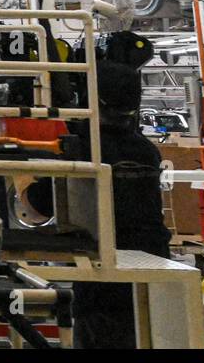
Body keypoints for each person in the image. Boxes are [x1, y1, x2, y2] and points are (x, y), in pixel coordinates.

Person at [70, 57, 171, 348]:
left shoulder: (84, 146)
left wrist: (22, 177)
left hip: (102, 278)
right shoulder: (145, 149)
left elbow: (38, 207)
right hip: (152, 264)